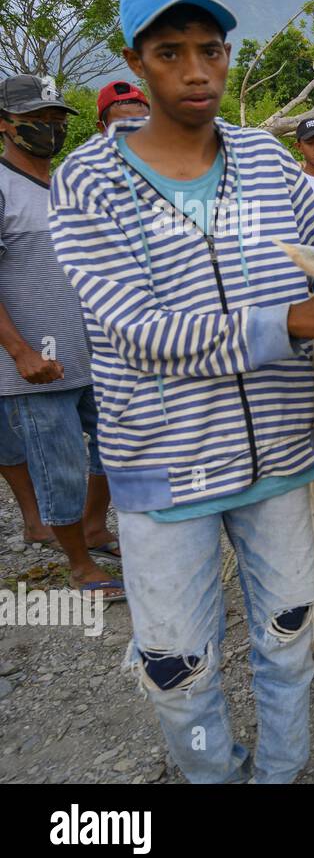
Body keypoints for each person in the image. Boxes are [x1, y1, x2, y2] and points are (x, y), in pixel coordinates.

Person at [49, 0, 314, 784]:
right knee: (179, 664)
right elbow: (139, 333)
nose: (196, 72)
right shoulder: (89, 183)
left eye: (211, 51)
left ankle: (283, 770)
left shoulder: (262, 157)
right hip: (164, 468)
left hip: (277, 464)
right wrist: (288, 321)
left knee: (290, 636)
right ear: (136, 60)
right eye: (171, 52)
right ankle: (214, 775)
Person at [0, 75, 122, 598]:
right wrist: (20, 351)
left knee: (119, 447)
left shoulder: (70, 185)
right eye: (36, 121)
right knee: (62, 466)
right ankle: (79, 564)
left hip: (95, 353)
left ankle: (94, 527)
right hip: (38, 364)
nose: (49, 129)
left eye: (55, 120)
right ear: (5, 125)